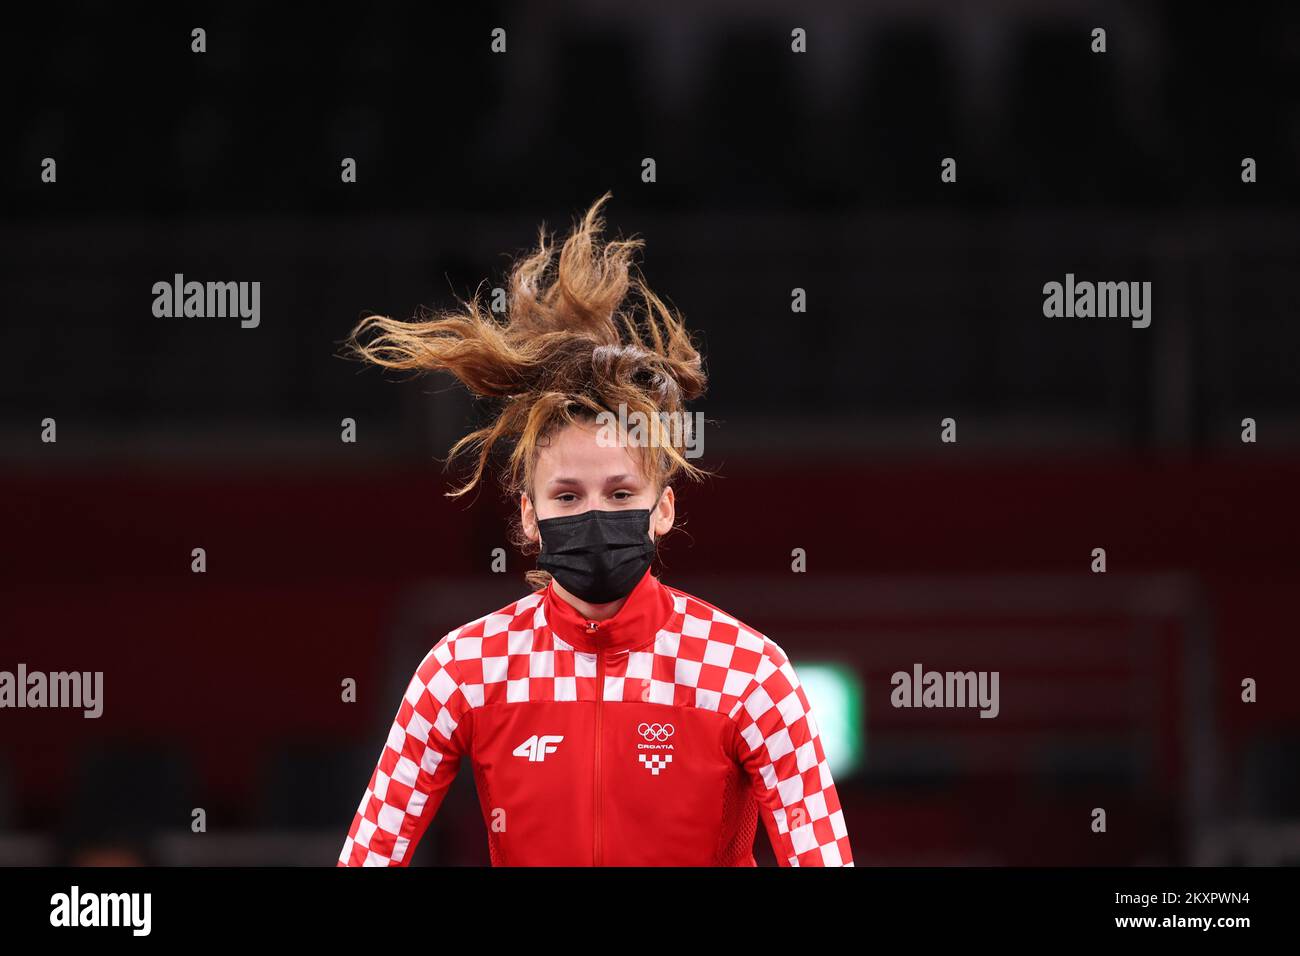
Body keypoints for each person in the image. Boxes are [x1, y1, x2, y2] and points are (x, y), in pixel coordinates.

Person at [336, 193, 854, 866]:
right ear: (528, 516)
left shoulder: (748, 673)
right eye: (567, 495)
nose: (593, 515)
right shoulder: (462, 670)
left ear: (663, 507)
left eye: (619, 492)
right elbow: (370, 854)